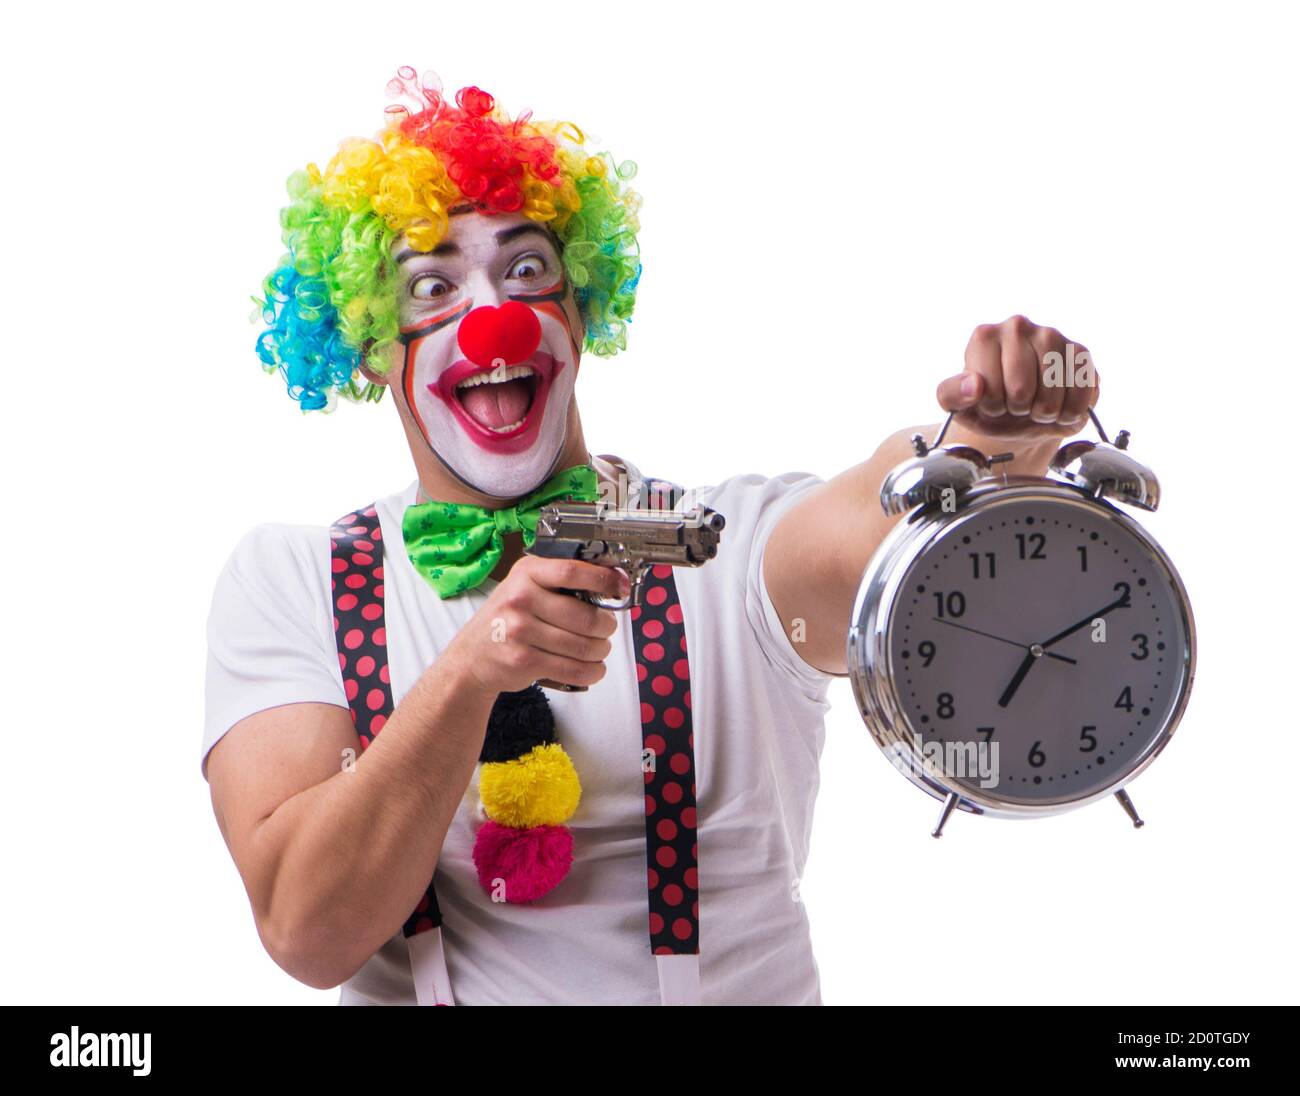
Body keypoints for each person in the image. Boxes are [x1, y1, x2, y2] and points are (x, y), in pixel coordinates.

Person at [202, 67, 1098, 1005]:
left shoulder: (729, 547)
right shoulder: (297, 580)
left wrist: (986, 441)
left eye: (526, 270)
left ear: (579, 311)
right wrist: (468, 677)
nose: (490, 320)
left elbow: (878, 507)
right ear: (374, 342)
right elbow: (309, 931)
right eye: (431, 285)